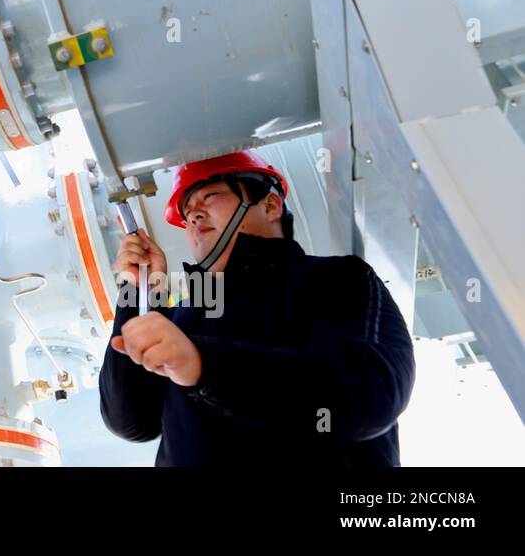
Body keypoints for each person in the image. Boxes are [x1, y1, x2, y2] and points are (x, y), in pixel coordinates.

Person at [98, 150, 416, 465]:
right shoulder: (182, 317)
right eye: (187, 211)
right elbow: (131, 422)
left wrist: (205, 365)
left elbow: (370, 395)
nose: (193, 215)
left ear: (271, 204)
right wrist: (140, 288)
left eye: (210, 196)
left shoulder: (336, 279)